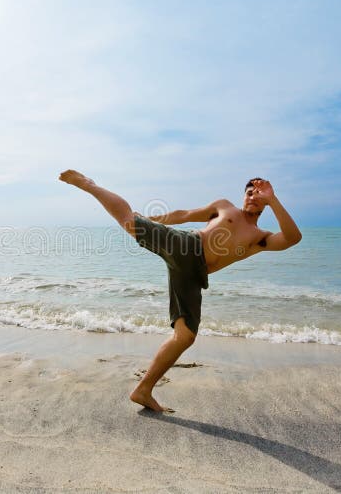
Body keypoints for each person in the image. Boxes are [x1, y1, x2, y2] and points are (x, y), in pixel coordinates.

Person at [59, 169, 302, 412]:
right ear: (243, 196)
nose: (252, 197)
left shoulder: (261, 238)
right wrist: (154, 221)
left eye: (259, 195)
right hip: (185, 245)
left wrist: (273, 198)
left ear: (266, 202)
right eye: (250, 193)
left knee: (185, 336)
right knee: (130, 221)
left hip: (194, 275)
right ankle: (89, 184)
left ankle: (143, 390)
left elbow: (293, 238)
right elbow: (184, 215)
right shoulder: (224, 206)